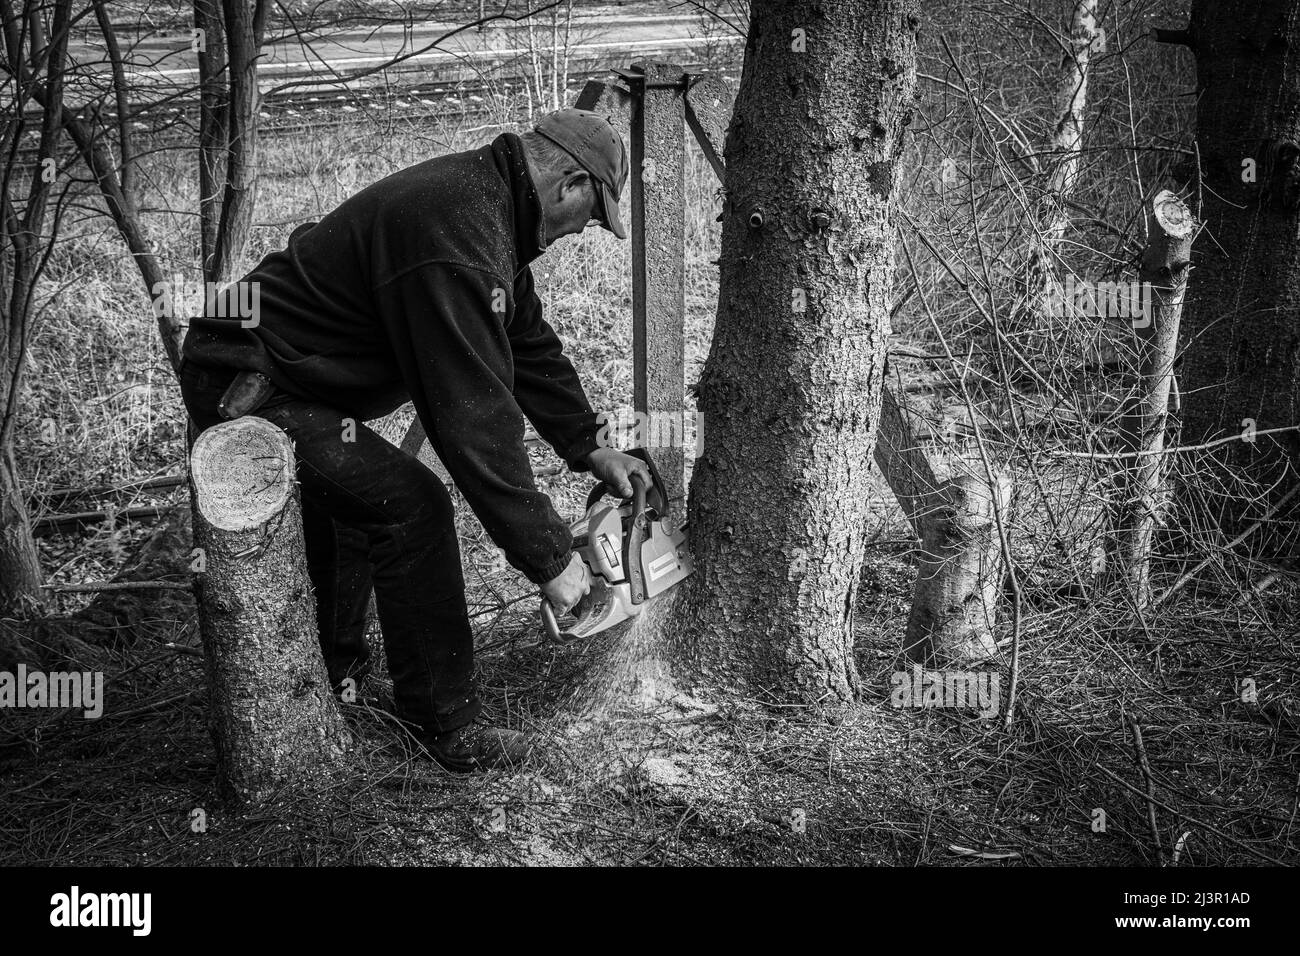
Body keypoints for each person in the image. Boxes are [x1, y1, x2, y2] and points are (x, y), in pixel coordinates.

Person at [178, 108, 650, 772]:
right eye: (589, 217)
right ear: (570, 182)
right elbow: (472, 421)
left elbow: (526, 341)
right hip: (246, 380)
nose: (579, 232)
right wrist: (549, 558)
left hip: (288, 375)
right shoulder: (459, 233)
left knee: (357, 503)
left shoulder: (487, 209)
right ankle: (448, 726)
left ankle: (337, 678)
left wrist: (591, 444)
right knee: (411, 506)